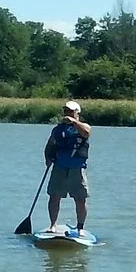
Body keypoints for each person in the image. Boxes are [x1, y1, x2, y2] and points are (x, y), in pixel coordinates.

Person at [43, 99, 92, 235]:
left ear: (77, 113)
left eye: (70, 111)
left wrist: (74, 122)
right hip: (59, 167)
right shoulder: (58, 130)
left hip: (77, 168)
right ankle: (53, 225)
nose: (67, 114)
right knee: (54, 196)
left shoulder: (83, 127)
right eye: (65, 111)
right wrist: (47, 158)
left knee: (80, 199)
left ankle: (80, 228)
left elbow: (87, 133)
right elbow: (50, 145)